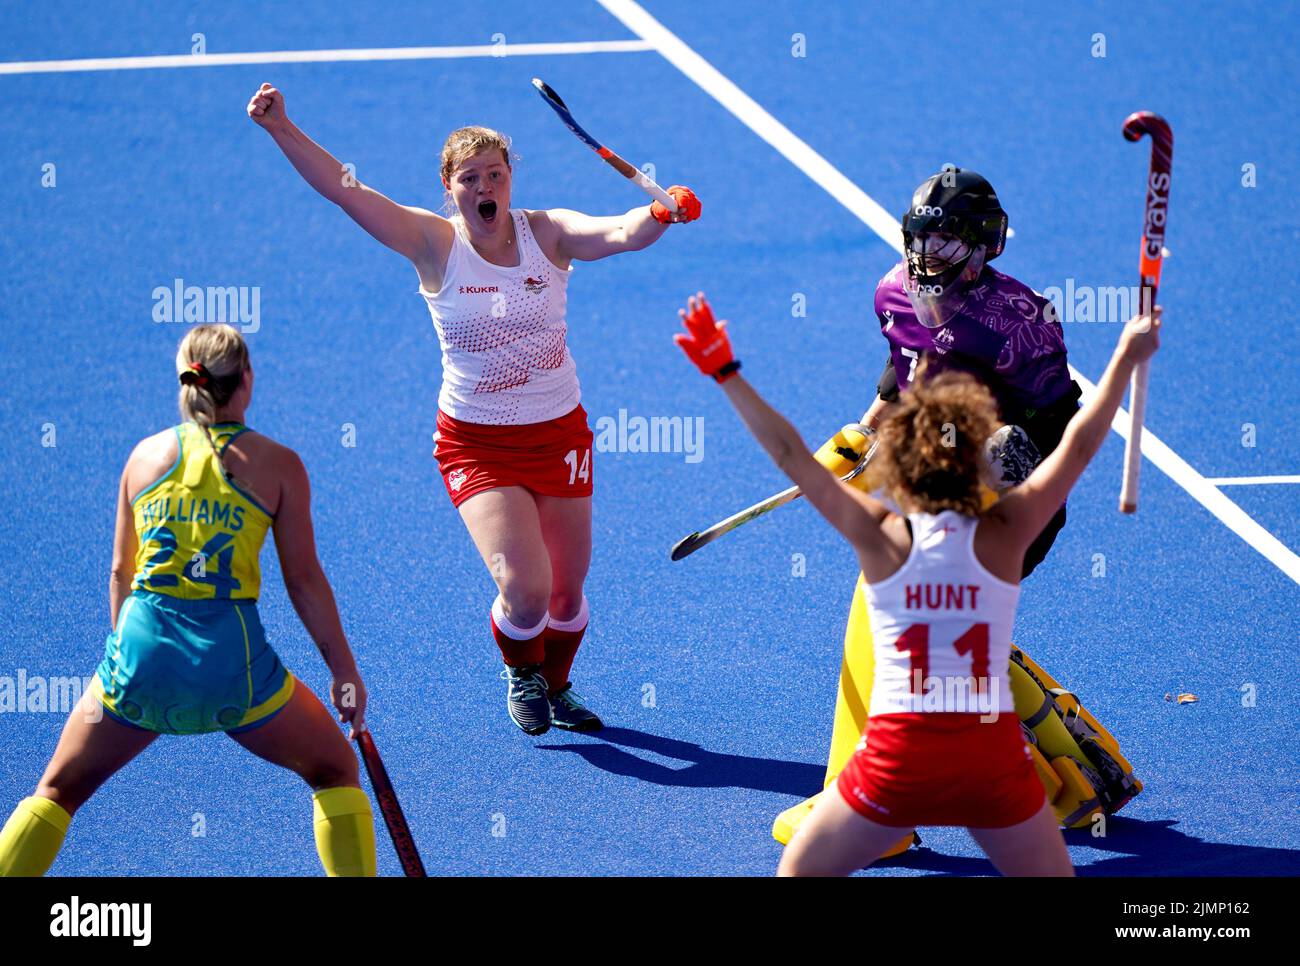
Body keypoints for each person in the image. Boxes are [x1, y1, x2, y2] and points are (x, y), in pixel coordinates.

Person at [248, 83, 701, 735]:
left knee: (569, 594)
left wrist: (659, 215)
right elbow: (347, 191)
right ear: (450, 186)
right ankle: (522, 673)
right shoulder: (434, 244)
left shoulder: (547, 232)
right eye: (470, 177)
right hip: (477, 443)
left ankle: (556, 685)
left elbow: (619, 232)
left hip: (560, 433)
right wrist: (281, 128)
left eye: (495, 173)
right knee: (527, 589)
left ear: (510, 179)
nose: (485, 185)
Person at [672, 292, 1160, 876]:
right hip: (992, 770)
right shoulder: (1008, 533)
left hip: (896, 767)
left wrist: (726, 373)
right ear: (983, 465)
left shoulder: (881, 540)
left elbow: (788, 452)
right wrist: (1127, 357)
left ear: (901, 466)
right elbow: (1081, 440)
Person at [0, 324, 375, 877]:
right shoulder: (279, 465)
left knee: (57, 790)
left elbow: (120, 573)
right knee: (334, 769)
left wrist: (127, 667)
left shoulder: (144, 458)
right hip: (232, 667)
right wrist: (344, 672)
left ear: (184, 382)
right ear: (246, 380)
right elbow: (304, 582)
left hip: (141, 654)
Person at [859, 167, 1081, 576]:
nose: (928, 252)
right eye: (922, 238)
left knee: (952, 587)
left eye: (945, 241)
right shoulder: (892, 293)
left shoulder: (1021, 324)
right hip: (932, 472)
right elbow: (909, 357)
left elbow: (1059, 419)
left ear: (981, 249)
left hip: (1011, 498)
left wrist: (1014, 452)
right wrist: (865, 429)